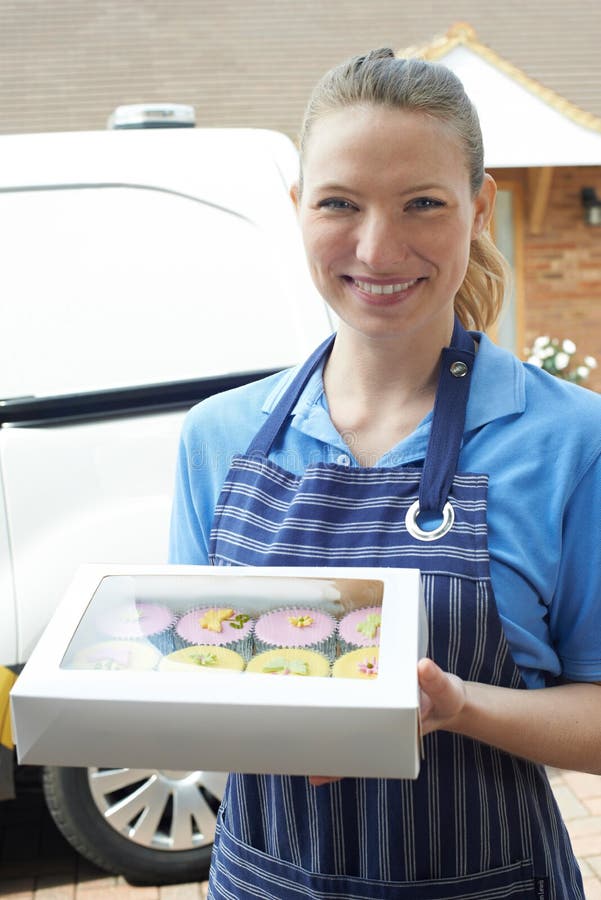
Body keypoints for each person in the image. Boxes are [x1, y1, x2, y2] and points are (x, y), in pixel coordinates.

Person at [169, 48, 601, 899]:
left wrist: (458, 708)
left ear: (478, 210)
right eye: (338, 203)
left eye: (422, 204)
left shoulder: (568, 441)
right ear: (297, 210)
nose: (376, 246)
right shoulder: (217, 438)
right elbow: (194, 686)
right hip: (262, 882)